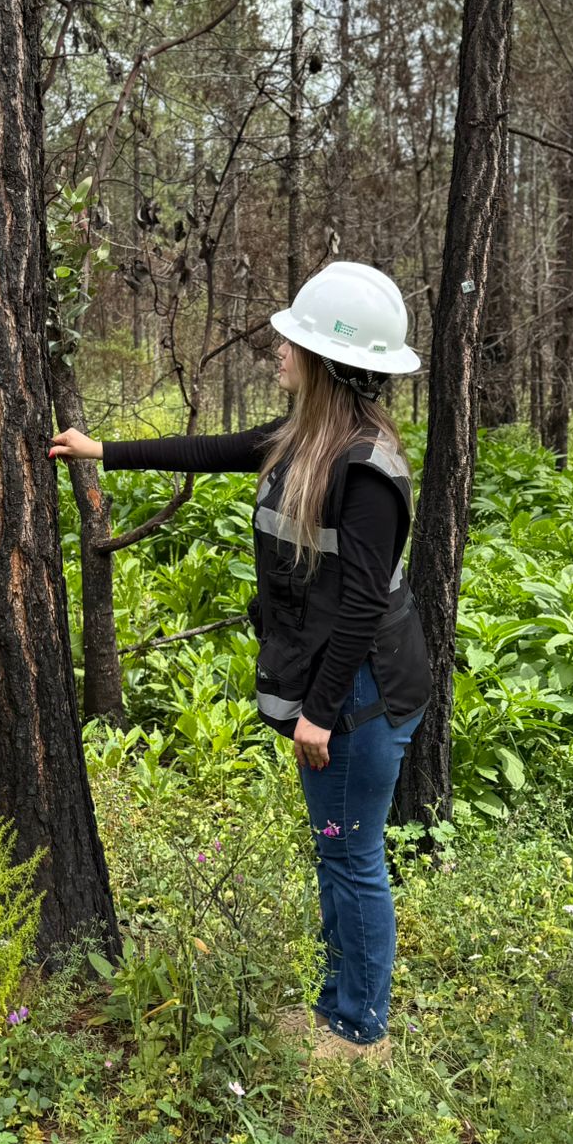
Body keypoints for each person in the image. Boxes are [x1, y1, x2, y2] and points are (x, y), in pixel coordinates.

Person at [50, 262, 432, 1063]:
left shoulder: (365, 470)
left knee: (352, 856)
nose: (278, 350)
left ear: (326, 361)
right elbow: (218, 447)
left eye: (292, 340)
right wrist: (102, 451)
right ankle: (339, 1008)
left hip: (360, 698)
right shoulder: (308, 438)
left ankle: (361, 1030)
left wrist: (321, 713)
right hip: (340, 687)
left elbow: (362, 608)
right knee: (337, 848)